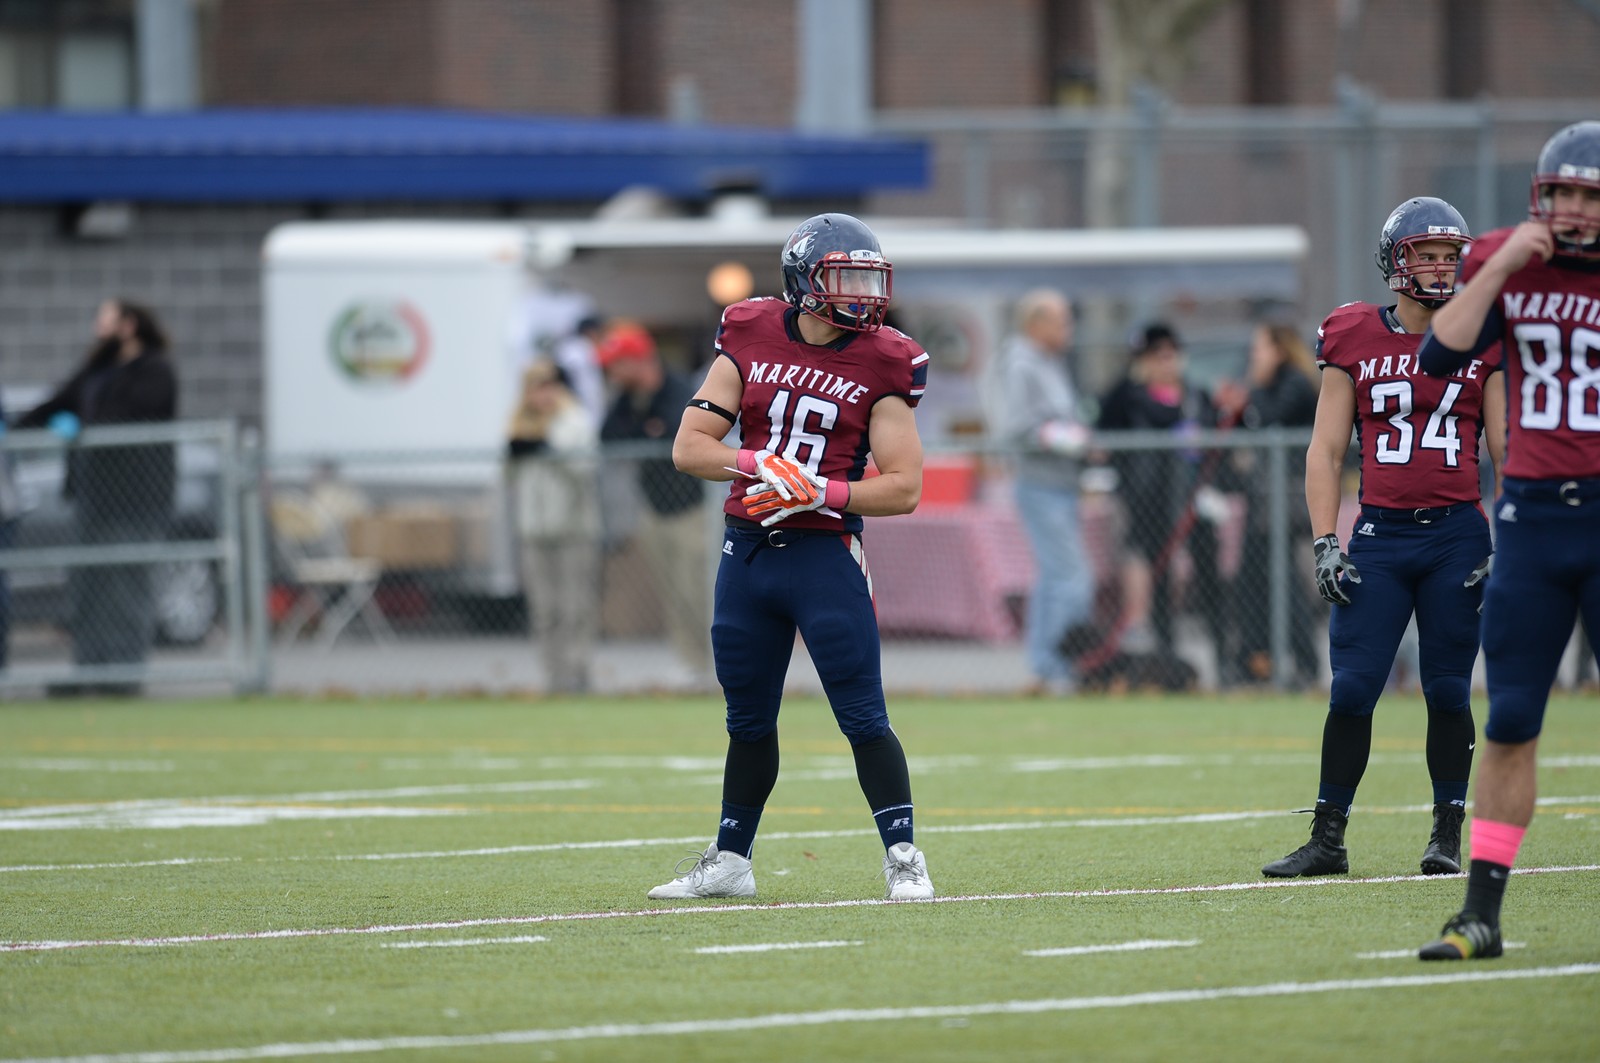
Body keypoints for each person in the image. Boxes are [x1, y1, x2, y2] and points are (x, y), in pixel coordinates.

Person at [652, 212, 935, 902]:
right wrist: (755, 462)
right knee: (746, 719)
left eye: (871, 278)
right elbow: (689, 447)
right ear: (805, 280)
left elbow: (904, 488)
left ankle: (904, 855)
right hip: (747, 552)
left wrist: (823, 490)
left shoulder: (885, 357)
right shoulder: (749, 330)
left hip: (824, 552)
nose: (864, 293)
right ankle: (731, 858)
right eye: (848, 277)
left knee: (862, 712)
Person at [1262, 196, 1505, 881]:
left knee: (1449, 688)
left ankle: (1447, 831)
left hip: (1458, 531)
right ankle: (1328, 838)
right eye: (1424, 253)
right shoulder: (1352, 332)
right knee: (1353, 688)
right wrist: (1324, 542)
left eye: (1448, 255)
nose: (1437, 266)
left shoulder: (1484, 335)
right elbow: (1324, 449)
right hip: (1379, 534)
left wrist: (1507, 548)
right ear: (1395, 260)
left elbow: (1507, 450)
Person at [1416, 122, 1600, 961]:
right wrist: (1495, 268)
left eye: (1587, 196)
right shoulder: (1510, 260)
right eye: (1560, 193)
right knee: (1512, 716)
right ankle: (1481, 912)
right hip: (1530, 518)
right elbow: (1437, 355)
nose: (1570, 210)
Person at [15, 299, 178, 694]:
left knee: (126, 586)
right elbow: (60, 400)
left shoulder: (155, 370)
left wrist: (84, 427)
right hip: (92, 496)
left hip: (137, 498)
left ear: (129, 323)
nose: (98, 325)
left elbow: (133, 415)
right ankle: (88, 671)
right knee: (88, 585)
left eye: (105, 317)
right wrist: (18, 424)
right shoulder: (98, 367)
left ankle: (123, 674)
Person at [981, 289, 1094, 694]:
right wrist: (1079, 442)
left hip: (1060, 484)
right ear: (1036, 323)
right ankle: (1063, 668)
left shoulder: (1048, 362)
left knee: (1052, 579)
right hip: (1041, 484)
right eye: (1062, 320)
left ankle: (1044, 667)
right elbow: (1020, 428)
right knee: (1073, 579)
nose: (1069, 329)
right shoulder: (1020, 364)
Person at [1095, 323, 1227, 663]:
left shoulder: (1195, 395)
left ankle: (1222, 652)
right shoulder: (1127, 395)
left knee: (1207, 571)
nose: (1165, 364)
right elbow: (1104, 439)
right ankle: (1166, 656)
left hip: (1192, 497)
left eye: (1171, 355)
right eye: (1156, 356)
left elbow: (1218, 441)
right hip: (1147, 500)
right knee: (1159, 575)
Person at [597, 321, 711, 676]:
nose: (611, 372)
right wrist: (646, 431)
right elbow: (608, 436)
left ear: (637, 360)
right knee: (673, 593)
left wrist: (647, 433)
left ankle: (715, 666)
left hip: (691, 509)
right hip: (654, 510)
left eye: (617, 364)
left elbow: (675, 435)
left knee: (699, 590)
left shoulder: (678, 389)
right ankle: (689, 664)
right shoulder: (629, 399)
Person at [1214, 322, 1323, 686]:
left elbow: (1271, 419)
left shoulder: (1294, 382)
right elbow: (1249, 427)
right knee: (1253, 576)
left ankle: (1305, 663)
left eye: (1259, 348)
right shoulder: (1266, 387)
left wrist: (1249, 399)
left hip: (1286, 498)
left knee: (1284, 579)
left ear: (1279, 349)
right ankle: (1255, 659)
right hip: (1263, 499)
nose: (1253, 356)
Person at [506, 359, 601, 694]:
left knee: (575, 608)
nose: (542, 394)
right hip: (534, 529)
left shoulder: (573, 421)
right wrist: (516, 452)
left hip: (573, 528)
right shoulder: (519, 424)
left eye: (548, 385)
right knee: (544, 610)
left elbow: (584, 469)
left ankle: (578, 676)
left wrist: (550, 449)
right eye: (535, 386)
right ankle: (553, 677)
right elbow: (509, 479)